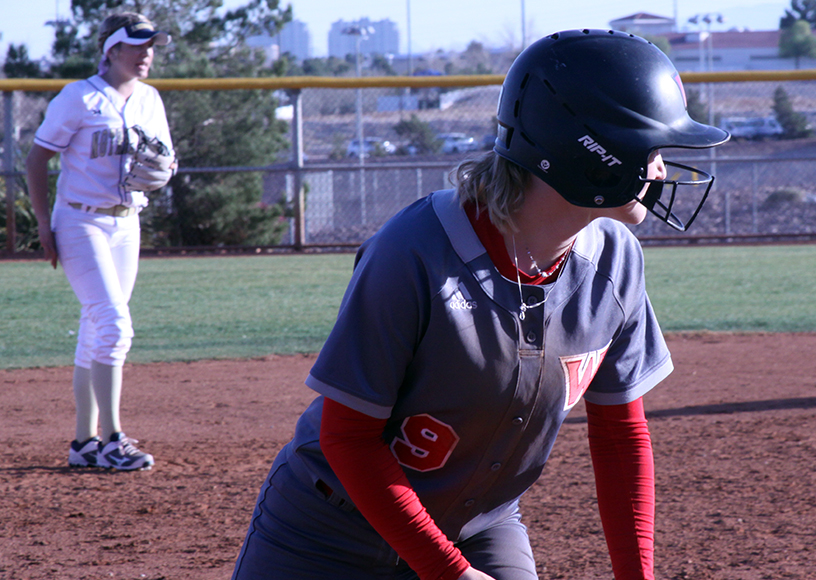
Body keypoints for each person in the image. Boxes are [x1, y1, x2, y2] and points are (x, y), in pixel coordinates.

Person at [232, 29, 729, 580]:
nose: (661, 170)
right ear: (588, 152)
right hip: (328, 530)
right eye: (651, 148)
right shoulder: (414, 251)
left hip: (478, 526)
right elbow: (347, 436)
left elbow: (620, 435)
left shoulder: (616, 263)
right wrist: (453, 575)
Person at [26, 13, 174, 471]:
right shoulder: (80, 97)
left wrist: (163, 172)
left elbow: (167, 162)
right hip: (79, 223)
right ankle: (113, 440)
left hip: (127, 224)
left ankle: (83, 443)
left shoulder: (150, 100)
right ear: (112, 50)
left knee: (97, 328)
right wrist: (43, 225)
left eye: (151, 45)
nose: (147, 53)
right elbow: (36, 160)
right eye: (137, 45)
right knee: (114, 325)